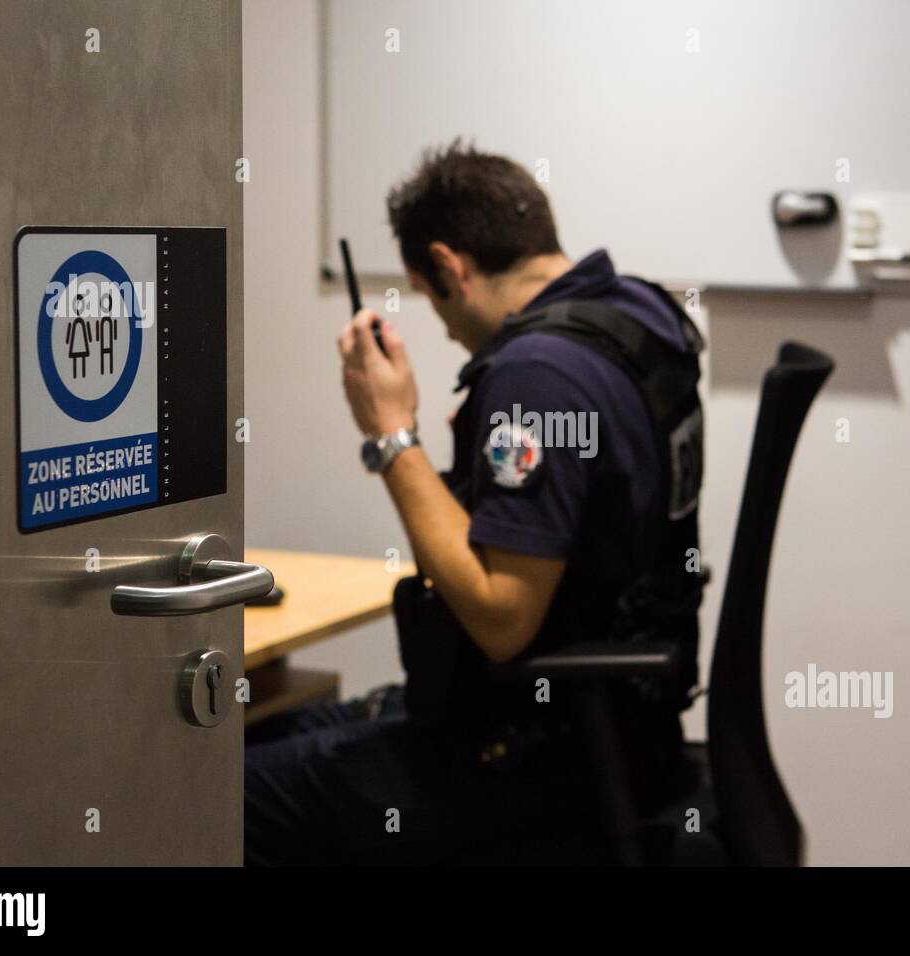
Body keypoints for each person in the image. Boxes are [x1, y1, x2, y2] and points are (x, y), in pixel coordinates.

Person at [245, 141, 706, 865]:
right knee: (259, 735)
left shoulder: (536, 378)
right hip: (625, 735)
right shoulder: (637, 315)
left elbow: (500, 617)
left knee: (220, 792)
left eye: (434, 300)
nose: (447, 327)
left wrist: (392, 437)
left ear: (451, 266)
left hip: (533, 769)